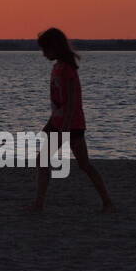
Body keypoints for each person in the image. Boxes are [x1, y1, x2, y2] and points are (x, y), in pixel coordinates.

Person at [28, 27, 116, 212]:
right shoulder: (57, 68)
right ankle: (39, 204)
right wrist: (50, 123)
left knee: (81, 164)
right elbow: (58, 103)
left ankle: (107, 201)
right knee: (46, 160)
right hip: (58, 122)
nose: (43, 54)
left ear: (55, 47)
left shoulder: (67, 70)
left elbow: (72, 103)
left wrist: (64, 129)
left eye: (46, 49)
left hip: (71, 125)